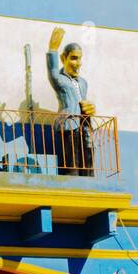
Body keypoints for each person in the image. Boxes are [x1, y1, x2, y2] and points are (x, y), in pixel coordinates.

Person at [44, 27, 95, 176]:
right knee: (71, 157)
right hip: (68, 123)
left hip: (85, 125)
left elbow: (84, 101)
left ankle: (88, 179)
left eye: (79, 58)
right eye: (73, 58)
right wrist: (52, 49)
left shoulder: (83, 82)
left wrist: (91, 109)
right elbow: (52, 72)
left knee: (88, 155)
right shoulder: (60, 79)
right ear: (63, 59)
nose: (78, 63)